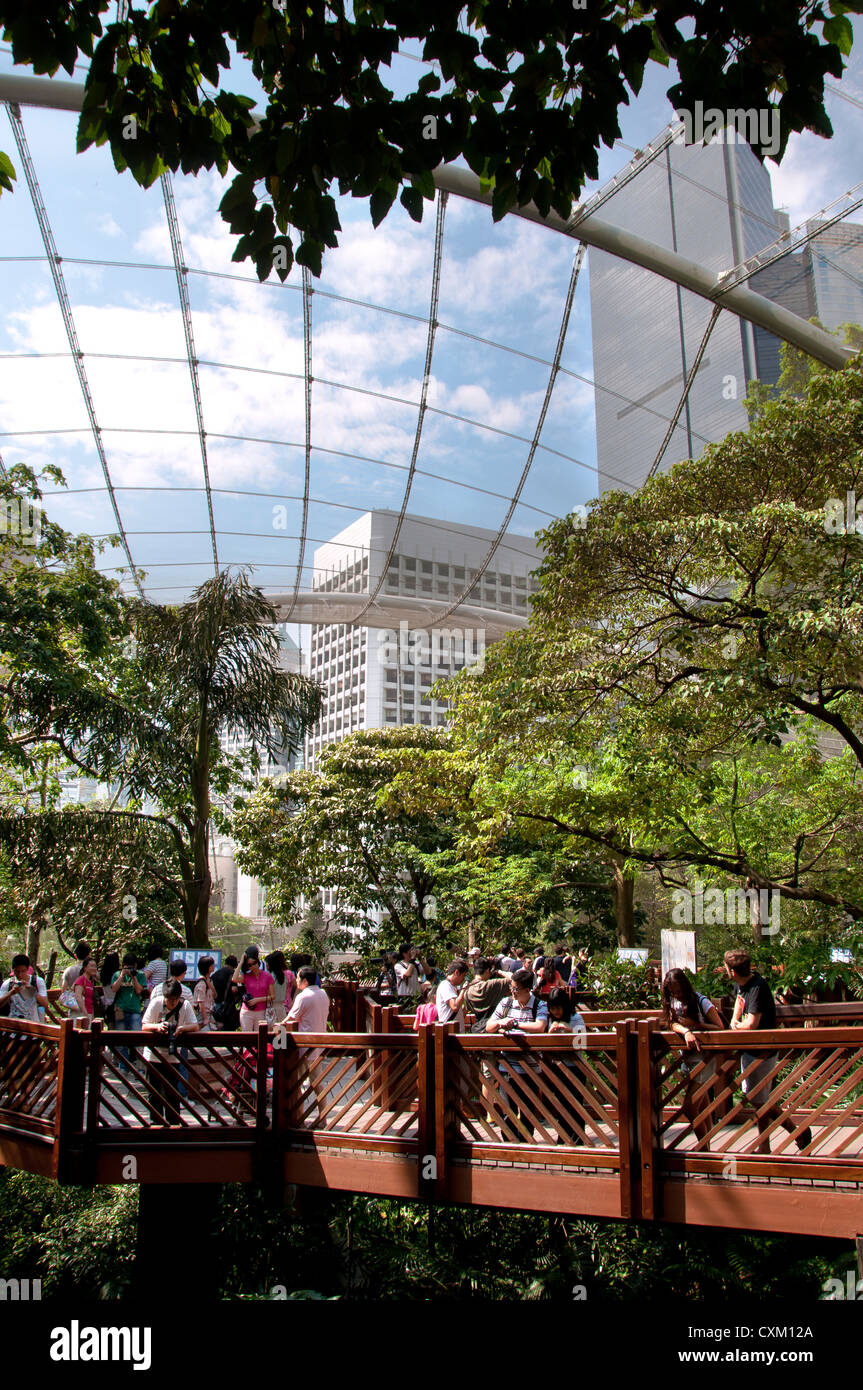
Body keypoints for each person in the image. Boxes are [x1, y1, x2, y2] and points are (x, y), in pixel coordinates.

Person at [724, 948, 812, 1155]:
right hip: (751, 1049)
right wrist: (734, 1020)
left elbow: (752, 1023)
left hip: (763, 1050)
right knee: (758, 1099)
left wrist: (736, 1027)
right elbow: (739, 1003)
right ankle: (769, 1143)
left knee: (758, 1099)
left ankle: (795, 1131)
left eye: (727, 969)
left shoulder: (757, 987)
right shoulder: (744, 984)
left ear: (732, 972)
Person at [660, 968, 724, 1145]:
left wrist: (695, 1025)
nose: (677, 995)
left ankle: (703, 1146)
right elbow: (671, 1023)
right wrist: (686, 1030)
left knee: (690, 1106)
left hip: (705, 1060)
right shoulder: (673, 1003)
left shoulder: (701, 1001)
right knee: (702, 1106)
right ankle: (707, 1152)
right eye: (673, 992)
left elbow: (720, 1028)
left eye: (679, 991)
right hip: (687, 1060)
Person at [485, 970, 549, 1139]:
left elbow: (540, 1026)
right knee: (507, 1109)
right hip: (506, 1065)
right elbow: (489, 1026)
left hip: (530, 1067)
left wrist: (515, 1025)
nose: (512, 992)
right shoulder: (505, 1003)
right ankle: (509, 1142)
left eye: (516, 989)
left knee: (528, 1110)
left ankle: (526, 1143)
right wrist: (500, 1022)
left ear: (527, 989)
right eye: (511, 988)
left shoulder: (539, 1005)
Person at [142, 979, 199, 1124]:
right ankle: (156, 1123)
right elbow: (144, 1025)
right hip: (153, 1055)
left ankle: (173, 1123)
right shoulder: (156, 1003)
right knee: (154, 1092)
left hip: (173, 1055)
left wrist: (181, 1028)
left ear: (179, 997)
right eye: (169, 1000)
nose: (172, 1003)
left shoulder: (184, 1005)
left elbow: (195, 1026)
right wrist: (157, 1027)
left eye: (175, 1000)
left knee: (172, 1092)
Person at [232, 946, 275, 1033]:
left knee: (259, 1037)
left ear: (258, 962)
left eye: (254, 963)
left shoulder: (267, 976)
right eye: (249, 965)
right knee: (246, 1037)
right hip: (246, 1011)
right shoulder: (246, 977)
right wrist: (241, 962)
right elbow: (234, 979)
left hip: (261, 1011)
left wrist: (257, 1000)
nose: (253, 966)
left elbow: (273, 996)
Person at [465, 957, 511, 1033]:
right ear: (487, 971)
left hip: (478, 1030)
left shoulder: (468, 990)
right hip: (494, 1029)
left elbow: (468, 1009)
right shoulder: (493, 985)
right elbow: (513, 978)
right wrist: (499, 971)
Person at [112, 953, 147, 1051]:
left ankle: (137, 1062)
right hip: (119, 1009)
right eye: (127, 966)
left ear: (135, 965)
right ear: (123, 965)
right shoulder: (117, 975)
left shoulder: (140, 975)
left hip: (134, 1009)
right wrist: (122, 975)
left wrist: (134, 977)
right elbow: (114, 989)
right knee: (120, 1038)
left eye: (131, 966)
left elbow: (138, 991)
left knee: (137, 1038)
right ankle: (122, 1065)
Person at [0, 955, 48, 1023]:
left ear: (28, 969)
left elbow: (45, 1004)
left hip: (33, 1022)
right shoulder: (8, 983)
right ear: (13, 970)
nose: (20, 974)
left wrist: (32, 991)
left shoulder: (37, 981)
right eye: (17, 971)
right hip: (14, 1022)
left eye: (23, 971)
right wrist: (11, 993)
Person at [59, 940, 91, 1020]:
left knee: (74, 1027)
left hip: (73, 1005)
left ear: (75, 955)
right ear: (88, 956)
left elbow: (63, 990)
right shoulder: (91, 971)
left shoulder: (69, 970)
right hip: (87, 1005)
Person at [436, 960, 471, 1032]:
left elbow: (459, 1012)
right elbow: (455, 1006)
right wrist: (464, 990)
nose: (463, 979)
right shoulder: (445, 985)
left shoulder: (452, 987)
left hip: (456, 1032)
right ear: (456, 972)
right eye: (463, 975)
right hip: (449, 1032)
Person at [73, 957, 103, 1029]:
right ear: (85, 968)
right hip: (81, 1014)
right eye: (91, 966)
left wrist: (90, 1015)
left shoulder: (89, 981)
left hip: (89, 1012)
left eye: (95, 966)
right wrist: (85, 1013)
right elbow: (78, 997)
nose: (94, 968)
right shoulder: (81, 980)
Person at [211, 954, 240, 1029]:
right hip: (227, 1006)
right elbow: (234, 989)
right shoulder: (232, 974)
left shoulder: (216, 973)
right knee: (229, 1029)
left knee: (217, 1028)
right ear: (235, 965)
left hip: (216, 1006)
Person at [266, 951, 295, 1022]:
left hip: (271, 1007)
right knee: (282, 1030)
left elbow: (268, 994)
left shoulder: (270, 977)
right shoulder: (284, 976)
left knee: (272, 1030)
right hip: (281, 1007)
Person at [193, 955, 217, 1031]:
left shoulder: (210, 980)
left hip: (210, 1014)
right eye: (212, 965)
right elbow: (201, 1002)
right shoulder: (201, 983)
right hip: (203, 1015)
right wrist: (205, 1018)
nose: (214, 966)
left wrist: (210, 986)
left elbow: (215, 996)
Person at [100, 952, 120, 1027]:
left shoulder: (103, 975)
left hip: (107, 1004)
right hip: (117, 1005)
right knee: (119, 1027)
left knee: (110, 1026)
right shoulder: (118, 975)